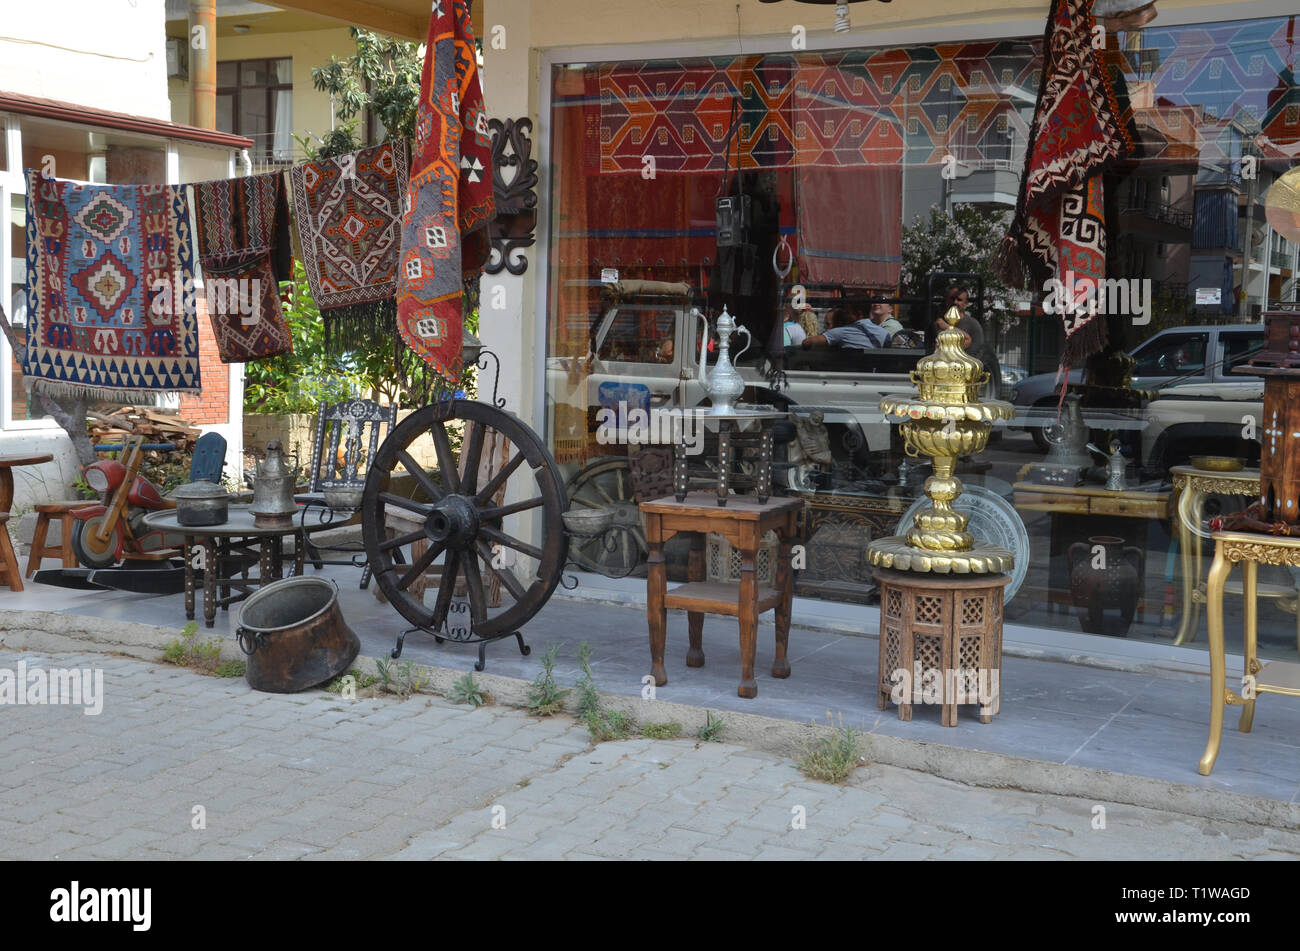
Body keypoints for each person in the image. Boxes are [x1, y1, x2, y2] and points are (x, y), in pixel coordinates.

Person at [801, 305, 889, 351]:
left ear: (859, 314)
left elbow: (807, 342)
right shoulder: (885, 334)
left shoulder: (841, 332)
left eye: (848, 312)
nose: (845, 316)